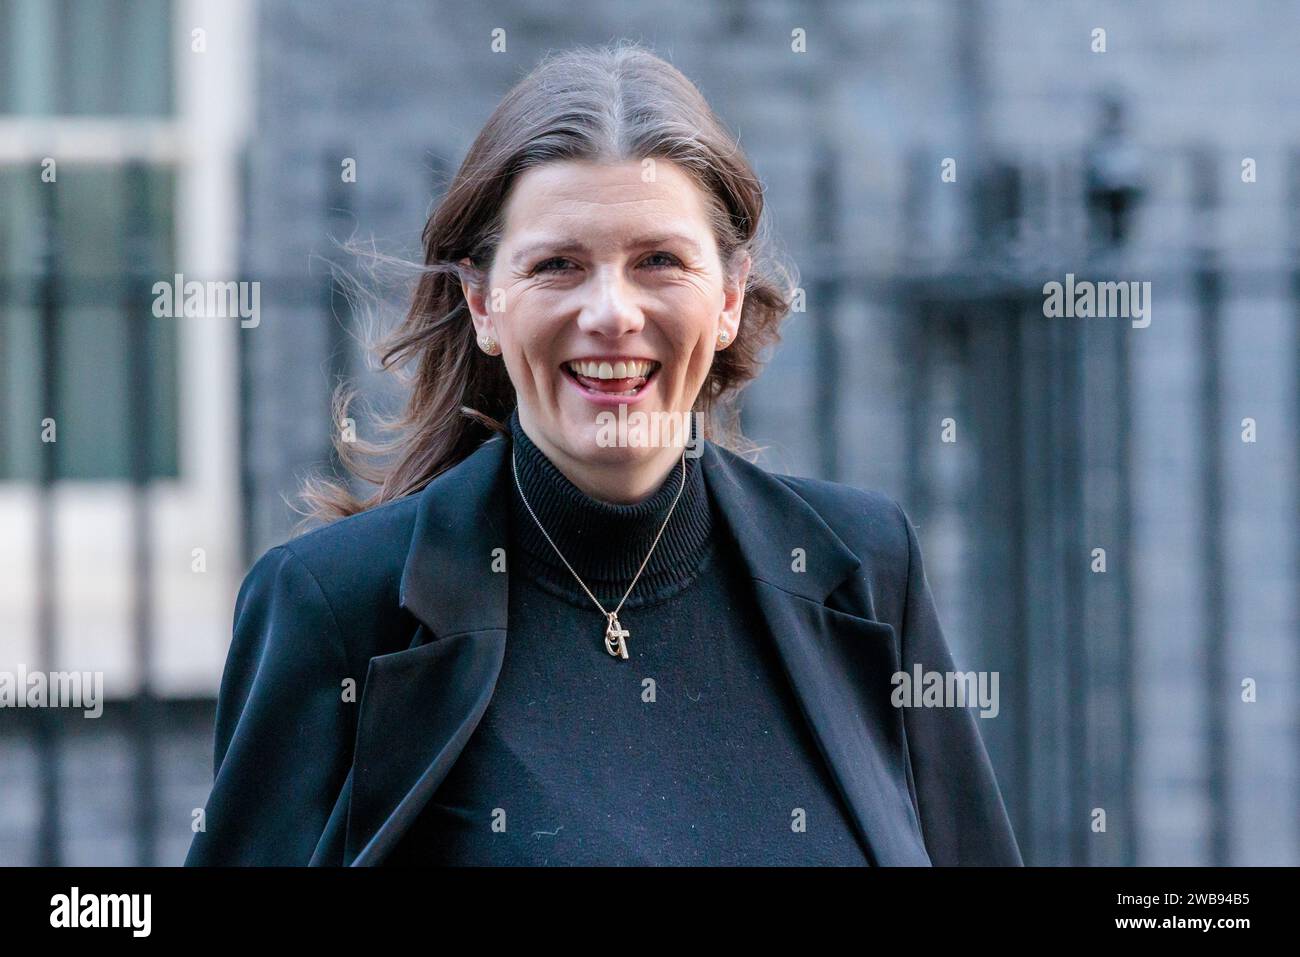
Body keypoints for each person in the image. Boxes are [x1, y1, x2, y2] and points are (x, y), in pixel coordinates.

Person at [185, 41, 1022, 867]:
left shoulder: (864, 570)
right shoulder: (335, 609)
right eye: (558, 265)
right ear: (484, 303)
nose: (613, 312)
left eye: (659, 260)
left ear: (727, 298)